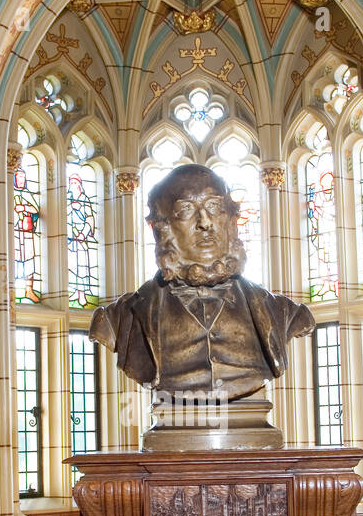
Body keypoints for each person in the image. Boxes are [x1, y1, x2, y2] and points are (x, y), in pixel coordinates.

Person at [89, 163, 314, 403]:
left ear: (231, 220)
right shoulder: (122, 317)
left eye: (214, 207)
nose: (205, 222)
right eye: (186, 210)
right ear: (161, 229)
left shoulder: (280, 311)